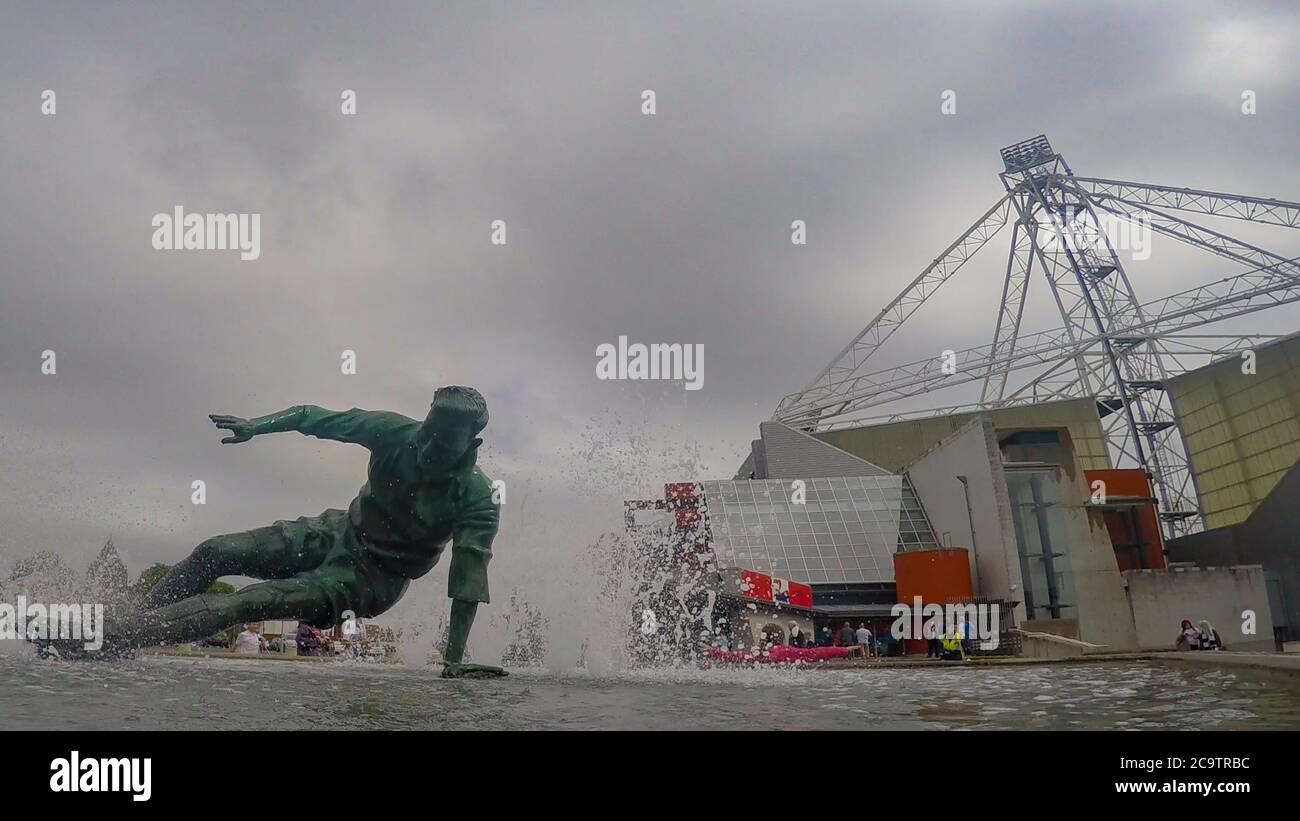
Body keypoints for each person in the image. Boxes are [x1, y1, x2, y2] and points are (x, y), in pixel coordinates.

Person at [87, 387, 506, 678]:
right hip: (337, 530)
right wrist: (258, 425)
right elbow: (312, 417)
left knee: (245, 602)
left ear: (473, 443)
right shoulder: (396, 432)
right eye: (426, 433)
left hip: (371, 578)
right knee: (214, 551)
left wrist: (453, 660)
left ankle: (113, 639)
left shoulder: (478, 498)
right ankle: (129, 620)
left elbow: (467, 584)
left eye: (442, 443)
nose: (427, 448)